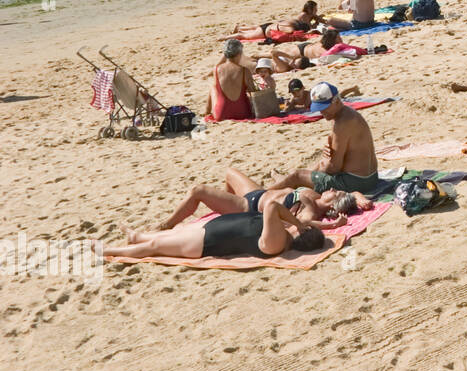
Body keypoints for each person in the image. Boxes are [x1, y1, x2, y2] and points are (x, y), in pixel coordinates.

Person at [103, 197, 331, 261]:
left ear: (302, 233)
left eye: (304, 227)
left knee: (154, 247)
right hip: (213, 228)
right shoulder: (282, 231)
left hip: (205, 244)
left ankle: (108, 251)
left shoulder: (277, 243)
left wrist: (298, 223)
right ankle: (136, 236)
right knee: (169, 234)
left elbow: (272, 207)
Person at [157, 165, 374, 230]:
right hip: (257, 193)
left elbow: (306, 223)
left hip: (247, 206)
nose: (332, 190)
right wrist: (358, 196)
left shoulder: (311, 209)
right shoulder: (315, 196)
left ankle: (167, 225)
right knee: (229, 172)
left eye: (335, 193)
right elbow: (351, 194)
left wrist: (334, 225)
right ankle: (221, 210)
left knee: (198, 191)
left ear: (331, 205)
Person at [266, 83, 380, 194]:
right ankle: (283, 181)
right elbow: (340, 147)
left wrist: (318, 169)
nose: (322, 112)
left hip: (357, 183)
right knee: (313, 169)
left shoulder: (341, 123)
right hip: (371, 177)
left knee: (297, 176)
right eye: (319, 108)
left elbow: (334, 168)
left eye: (324, 108)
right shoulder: (349, 114)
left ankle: (260, 196)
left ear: (336, 101)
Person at [232, 1, 321, 40]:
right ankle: (240, 30)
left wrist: (317, 19)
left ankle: (240, 28)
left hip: (280, 24)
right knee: (254, 31)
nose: (316, 11)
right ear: (309, 10)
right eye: (315, 9)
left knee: (256, 27)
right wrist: (315, 23)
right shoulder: (304, 16)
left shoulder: (310, 15)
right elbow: (307, 27)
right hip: (280, 26)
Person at [269, 27, 341, 72]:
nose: (341, 39)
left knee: (276, 55)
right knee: (270, 55)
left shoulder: (324, 43)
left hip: (307, 47)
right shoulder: (323, 51)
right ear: (332, 40)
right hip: (300, 51)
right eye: (338, 38)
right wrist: (292, 58)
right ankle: (257, 56)